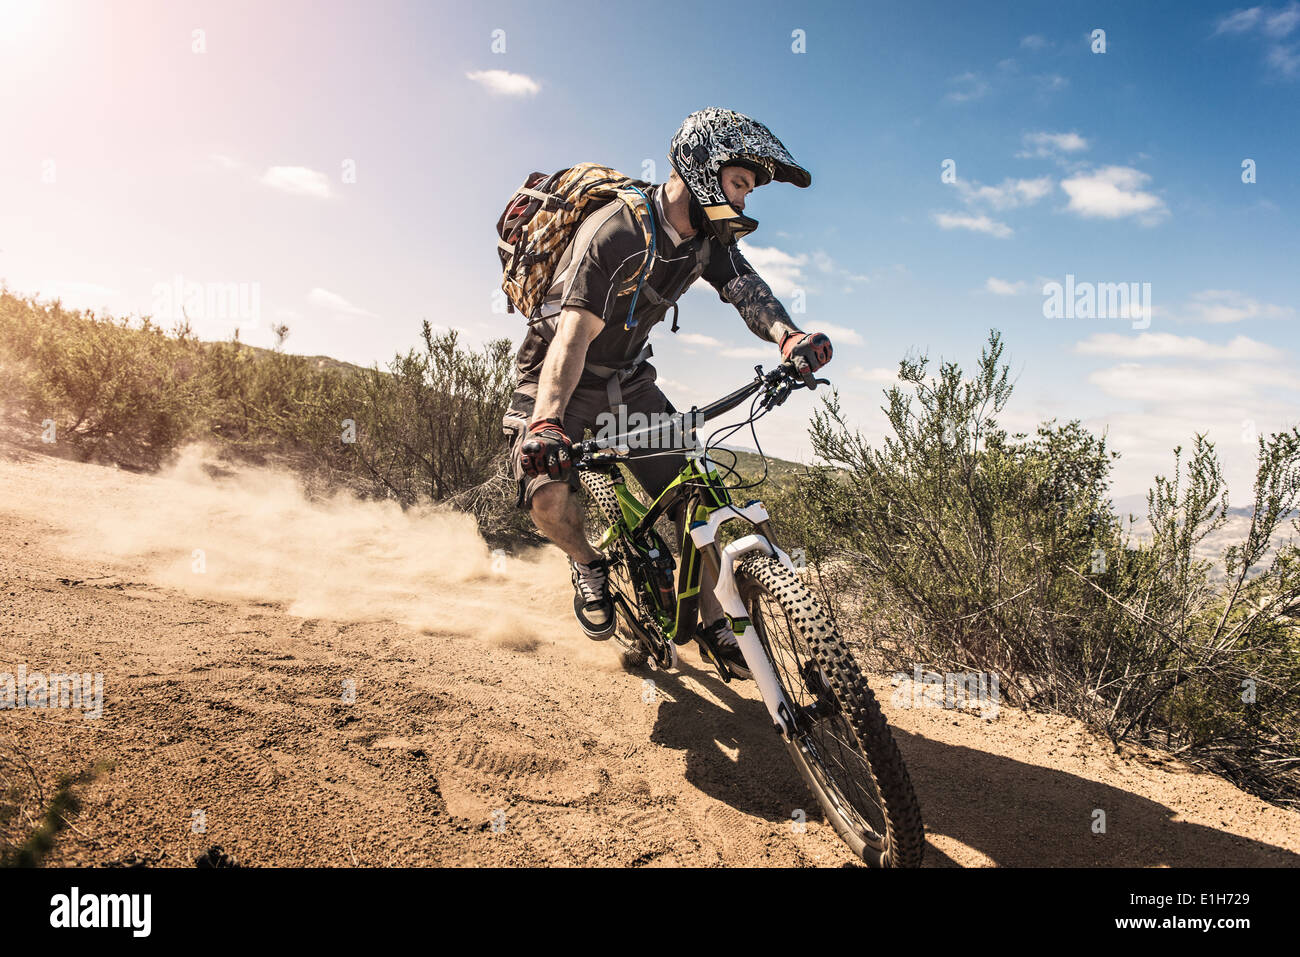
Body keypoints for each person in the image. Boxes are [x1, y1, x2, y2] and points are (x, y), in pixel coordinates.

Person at [507, 107, 834, 680]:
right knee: (546, 498)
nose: (743, 201)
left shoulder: (705, 239)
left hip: (628, 381)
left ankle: (713, 622)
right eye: (739, 183)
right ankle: (588, 564)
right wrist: (547, 422)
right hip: (558, 376)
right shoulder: (617, 232)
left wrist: (790, 338)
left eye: (749, 190)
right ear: (704, 168)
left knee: (694, 494)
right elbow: (572, 338)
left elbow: (745, 288)